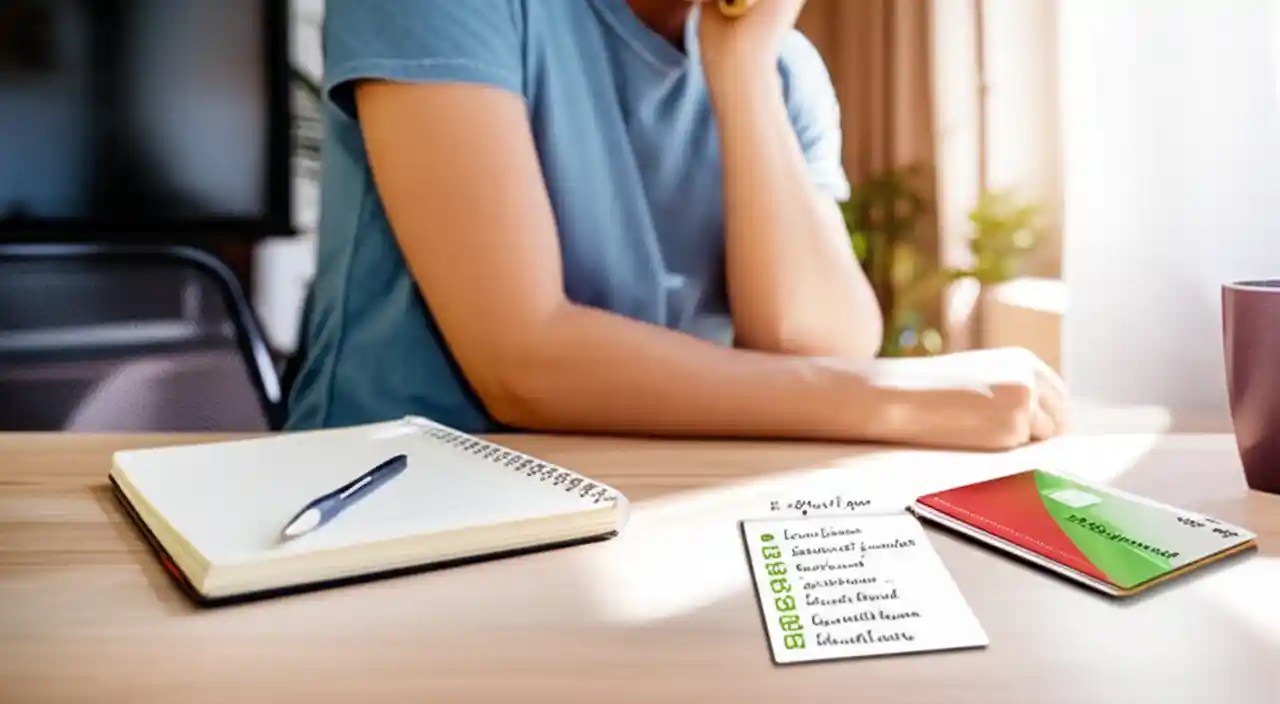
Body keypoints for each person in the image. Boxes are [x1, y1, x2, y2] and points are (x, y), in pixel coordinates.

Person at [286, 0, 1069, 450]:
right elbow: (522, 362)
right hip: (394, 495)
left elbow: (817, 342)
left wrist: (742, 70)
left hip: (647, 499)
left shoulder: (781, 66)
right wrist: (898, 399)